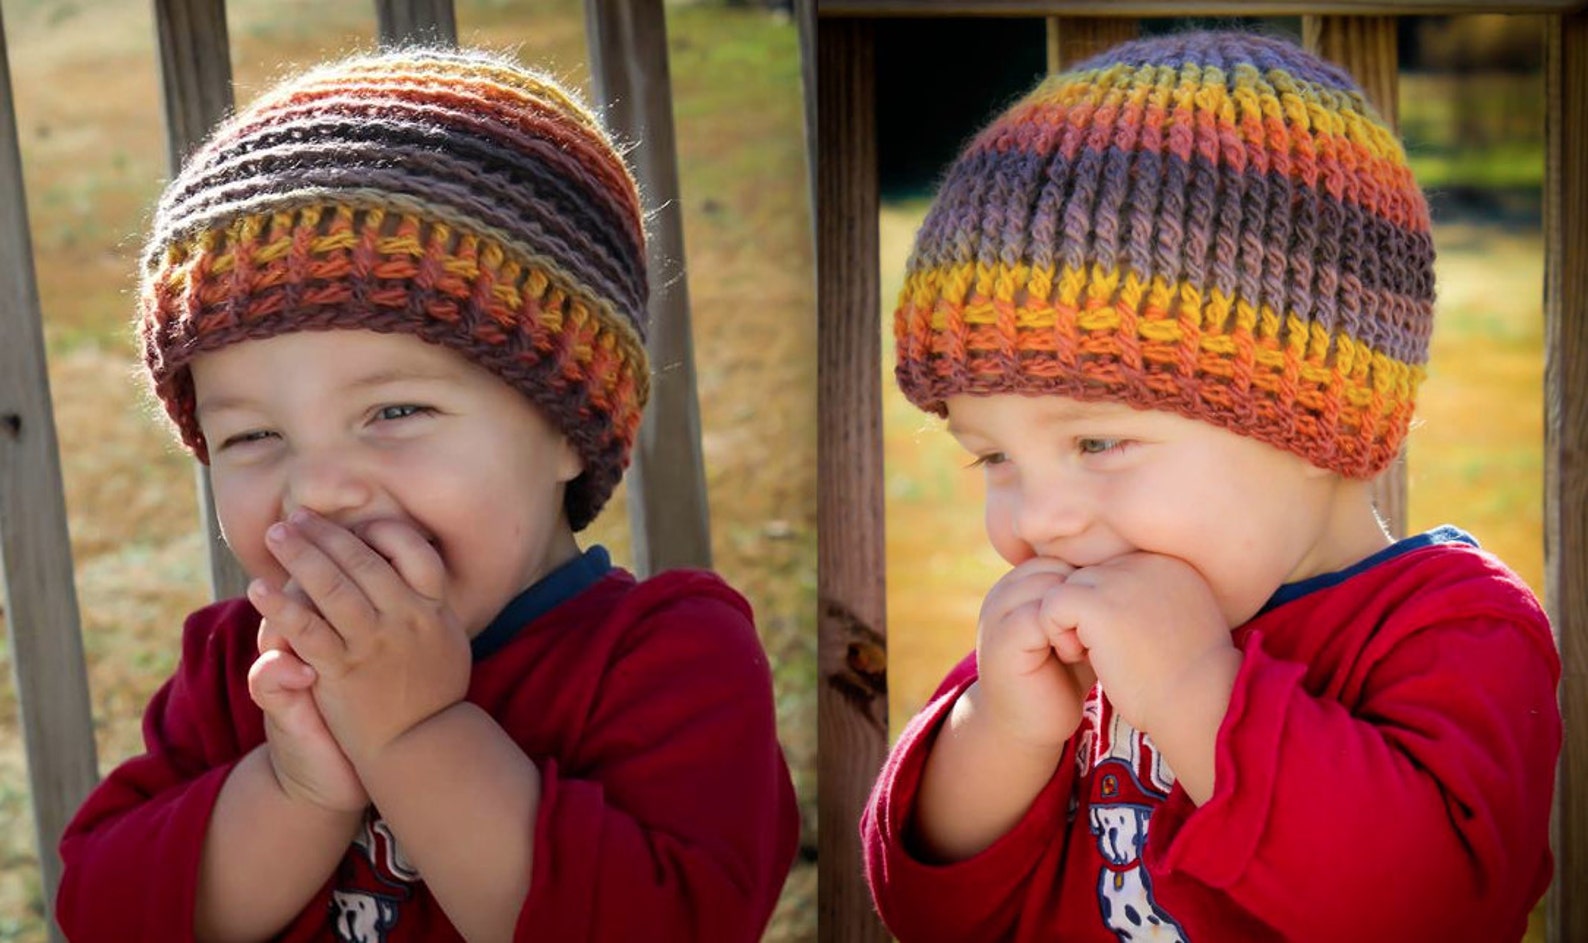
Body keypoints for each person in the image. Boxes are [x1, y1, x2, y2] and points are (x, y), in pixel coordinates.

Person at [56, 47, 798, 942]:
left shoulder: (666, 662)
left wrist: (414, 733)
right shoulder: (239, 671)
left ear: (568, 423)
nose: (318, 489)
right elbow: (104, 909)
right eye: (252, 436)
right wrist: (297, 789)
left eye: (395, 409)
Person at [862, 29, 1560, 942]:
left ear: (1317, 417)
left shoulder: (1453, 632)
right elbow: (922, 905)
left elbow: (1436, 909)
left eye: (1098, 440)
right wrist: (1002, 728)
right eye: (993, 457)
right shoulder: (1067, 643)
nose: (1038, 520)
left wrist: (1197, 687)